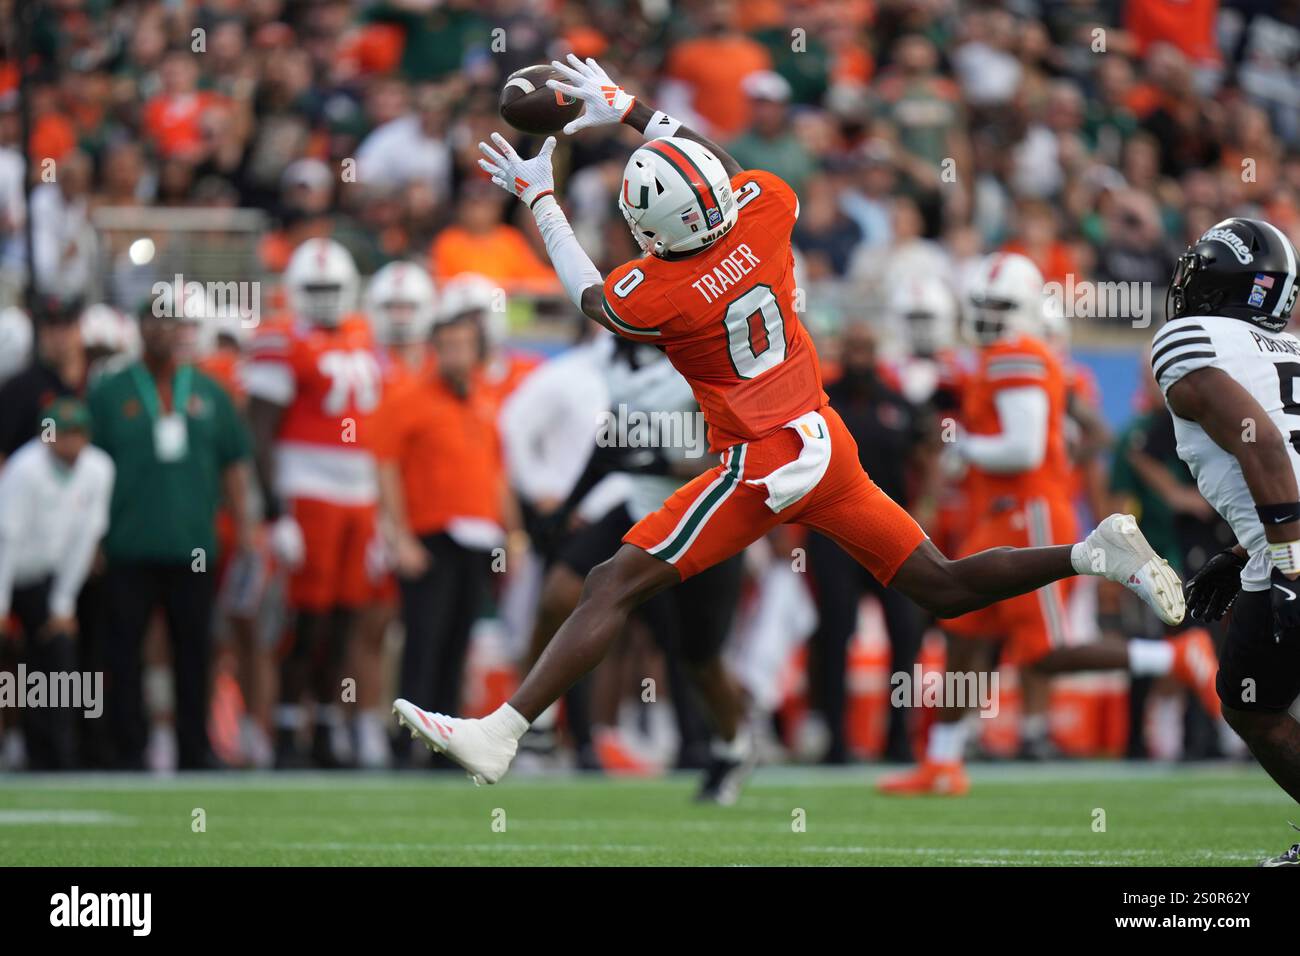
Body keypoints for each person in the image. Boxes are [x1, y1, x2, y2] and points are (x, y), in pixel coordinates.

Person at [392, 55, 1183, 787]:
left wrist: (540, 198)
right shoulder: (767, 208)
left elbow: (594, 297)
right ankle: (1089, 551)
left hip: (765, 457)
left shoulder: (660, 291)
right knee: (939, 587)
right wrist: (627, 107)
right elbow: (720, 169)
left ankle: (502, 730)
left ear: (652, 232)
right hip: (821, 439)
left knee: (611, 580)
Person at [879, 253, 1218, 797]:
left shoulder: (1019, 353)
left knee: (1044, 652)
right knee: (962, 631)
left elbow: (1023, 447)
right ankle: (941, 763)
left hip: (1027, 513)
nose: (989, 316)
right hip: (999, 514)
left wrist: (959, 447)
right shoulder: (1003, 356)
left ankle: (1177, 655)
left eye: (1001, 306)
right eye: (982, 306)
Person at [1144, 218, 1300, 866]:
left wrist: (1287, 565)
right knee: (1248, 698)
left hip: (1287, 551)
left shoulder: (1188, 338)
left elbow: (1260, 440)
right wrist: (1241, 554)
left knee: (1253, 706)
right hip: (1275, 543)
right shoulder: (1288, 349)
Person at [88, 303, 255, 770]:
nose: (161, 332)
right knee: (123, 652)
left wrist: (245, 529)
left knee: (194, 650)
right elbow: (90, 468)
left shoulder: (210, 392)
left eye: (169, 323)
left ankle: (193, 748)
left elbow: (235, 465)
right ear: (140, 329)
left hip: (193, 545)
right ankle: (127, 747)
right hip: (128, 542)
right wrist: (91, 537)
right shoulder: (110, 391)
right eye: (153, 322)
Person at [244, 238, 384, 768]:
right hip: (308, 491)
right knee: (306, 620)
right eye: (315, 289)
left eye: (332, 288)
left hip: (361, 494)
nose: (325, 299)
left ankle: (326, 725)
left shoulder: (362, 334)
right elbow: (258, 430)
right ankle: (284, 728)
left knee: (347, 619)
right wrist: (276, 513)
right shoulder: (281, 339)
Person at [0, 398, 113, 768]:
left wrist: (63, 604)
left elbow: (85, 539)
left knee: (58, 647)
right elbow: (6, 539)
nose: (69, 443)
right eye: (61, 434)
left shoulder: (99, 469)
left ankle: (55, 753)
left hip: (45, 579)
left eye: (76, 434)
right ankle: (12, 740)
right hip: (7, 572)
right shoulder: (24, 469)